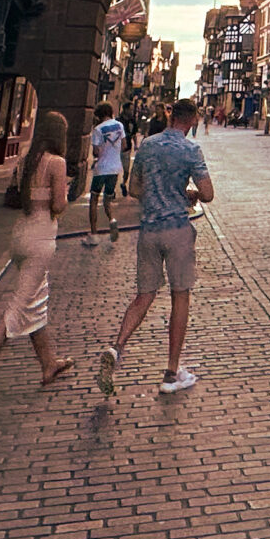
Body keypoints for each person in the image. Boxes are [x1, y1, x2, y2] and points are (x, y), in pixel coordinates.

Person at [96, 98, 212, 398]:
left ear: (172, 116)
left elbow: (134, 189)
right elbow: (208, 194)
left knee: (144, 295)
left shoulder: (147, 145)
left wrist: (159, 193)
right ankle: (172, 373)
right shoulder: (190, 150)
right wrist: (188, 194)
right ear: (193, 120)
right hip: (177, 231)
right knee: (180, 297)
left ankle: (116, 347)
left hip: (149, 231)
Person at [0, 112, 73, 402]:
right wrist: (65, 191)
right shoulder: (56, 162)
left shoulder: (27, 158)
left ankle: (48, 363)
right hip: (41, 238)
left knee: (35, 301)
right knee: (16, 309)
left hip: (20, 236)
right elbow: (59, 205)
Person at [83, 103, 126, 249]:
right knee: (108, 199)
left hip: (102, 169)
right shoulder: (119, 126)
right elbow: (124, 145)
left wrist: (101, 152)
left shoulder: (98, 130)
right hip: (115, 168)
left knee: (94, 199)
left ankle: (94, 234)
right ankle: (112, 220)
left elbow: (95, 152)